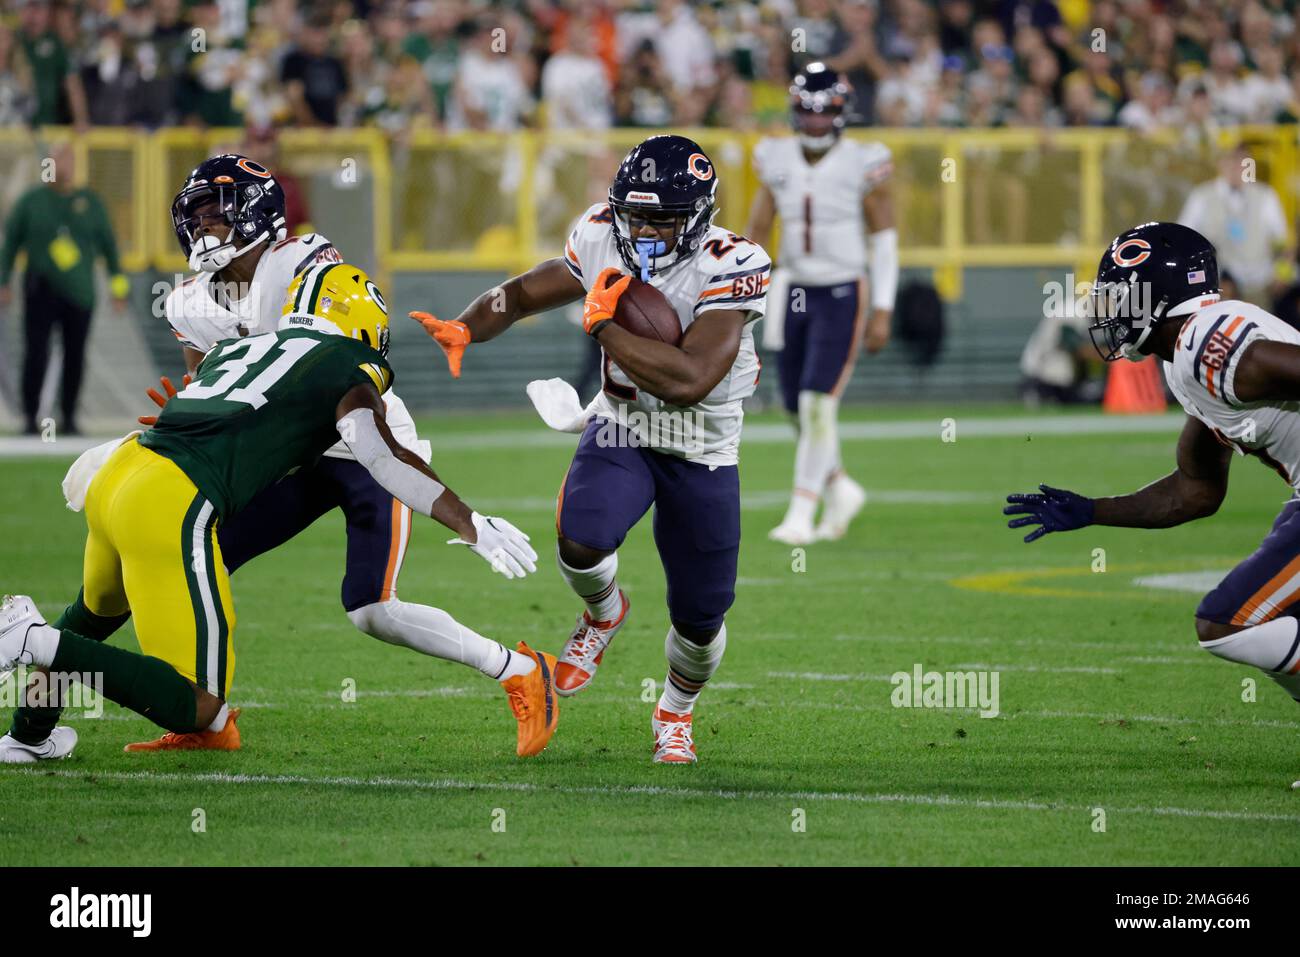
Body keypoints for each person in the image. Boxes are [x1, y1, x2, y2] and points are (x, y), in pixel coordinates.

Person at [0, 265, 556, 761]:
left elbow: (361, 445)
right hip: (209, 483)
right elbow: (377, 448)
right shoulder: (345, 357)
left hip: (128, 472)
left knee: (369, 606)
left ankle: (28, 734)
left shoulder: (245, 342)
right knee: (198, 688)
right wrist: (471, 522)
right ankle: (40, 646)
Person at [411, 135, 771, 764]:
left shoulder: (731, 261)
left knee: (700, 613)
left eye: (663, 217)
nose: (647, 229)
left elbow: (690, 381)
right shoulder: (604, 233)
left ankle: (674, 713)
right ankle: (603, 614)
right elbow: (522, 293)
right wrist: (470, 323)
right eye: (637, 215)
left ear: (700, 214)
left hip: (702, 443)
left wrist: (604, 324)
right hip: (622, 422)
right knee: (580, 537)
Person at [1005, 222, 1300, 785]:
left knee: (1228, 621)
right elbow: (1194, 491)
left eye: (1123, 296)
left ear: (1162, 295)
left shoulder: (1207, 347)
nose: (1110, 310)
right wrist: (1093, 511)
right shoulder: (1184, 358)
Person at [746, 63, 897, 545]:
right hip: (792, 290)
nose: (813, 123)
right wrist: (743, 291)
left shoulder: (862, 160)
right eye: (806, 114)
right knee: (794, 403)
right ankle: (839, 487)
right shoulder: (775, 157)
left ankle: (801, 512)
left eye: (823, 113)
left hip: (842, 291)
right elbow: (757, 229)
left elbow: (886, 239)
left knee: (816, 403)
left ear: (841, 113)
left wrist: (884, 308)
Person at [0, 141, 126, 436]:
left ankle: (69, 418)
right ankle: (31, 418)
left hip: (80, 292)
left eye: (68, 159)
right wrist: (3, 282)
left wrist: (118, 289)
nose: (63, 166)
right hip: (40, 290)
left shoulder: (90, 203)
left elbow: (110, 250)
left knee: (75, 355)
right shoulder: (31, 201)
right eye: (57, 159)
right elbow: (10, 246)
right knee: (36, 354)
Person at [1178, 144, 1292, 307]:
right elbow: (1184, 239)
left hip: (1258, 286)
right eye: (1231, 161)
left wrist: (1283, 275)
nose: (1236, 167)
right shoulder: (1202, 196)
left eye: (1243, 162)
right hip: (1216, 288)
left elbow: (1284, 244)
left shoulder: (1265, 195)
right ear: (1220, 163)